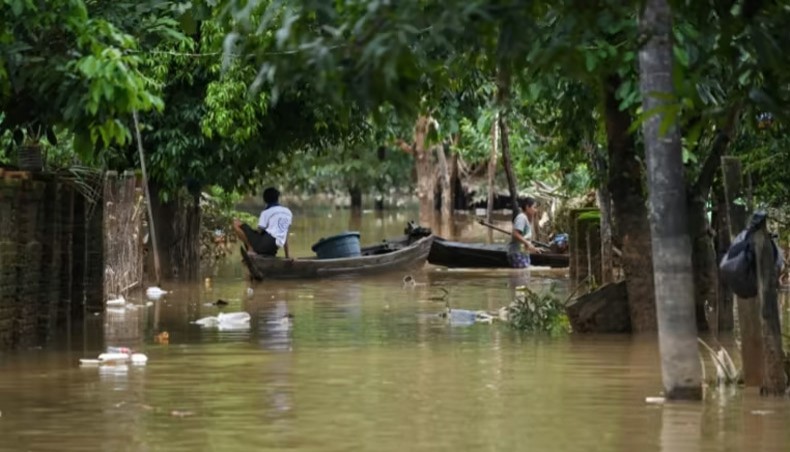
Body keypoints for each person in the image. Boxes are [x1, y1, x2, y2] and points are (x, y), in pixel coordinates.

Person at [233, 187, 292, 258]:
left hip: (264, 245)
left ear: (265, 200)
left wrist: (249, 232)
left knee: (236, 224)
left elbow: (259, 231)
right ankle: (266, 253)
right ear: (277, 199)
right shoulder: (288, 212)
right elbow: (285, 235)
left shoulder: (266, 212)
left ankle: (251, 249)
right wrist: (287, 256)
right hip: (274, 248)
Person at [507, 197, 542, 268]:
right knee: (523, 274)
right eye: (534, 207)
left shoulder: (525, 219)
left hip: (522, 252)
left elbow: (523, 240)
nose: (536, 210)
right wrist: (528, 243)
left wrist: (533, 248)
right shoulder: (521, 218)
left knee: (525, 273)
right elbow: (515, 234)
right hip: (517, 253)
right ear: (527, 207)